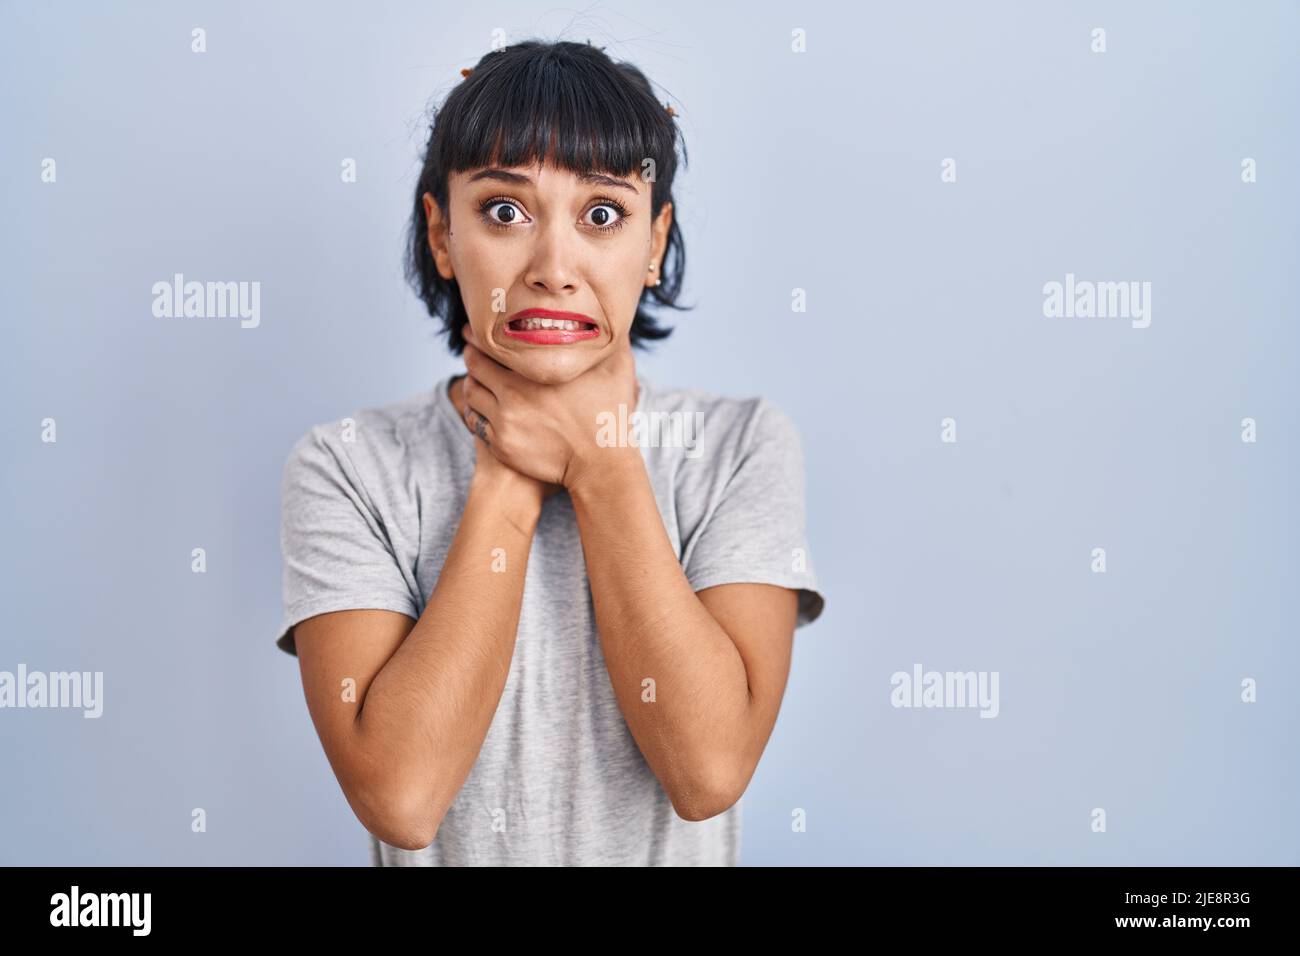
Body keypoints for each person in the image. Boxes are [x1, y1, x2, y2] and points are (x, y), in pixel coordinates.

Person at [274, 38, 825, 866]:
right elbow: (402, 797)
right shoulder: (348, 467)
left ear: (652, 242)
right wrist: (508, 469)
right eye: (504, 210)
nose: (554, 268)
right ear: (442, 234)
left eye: (602, 214)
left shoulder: (740, 447)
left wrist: (601, 461)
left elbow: (709, 770)